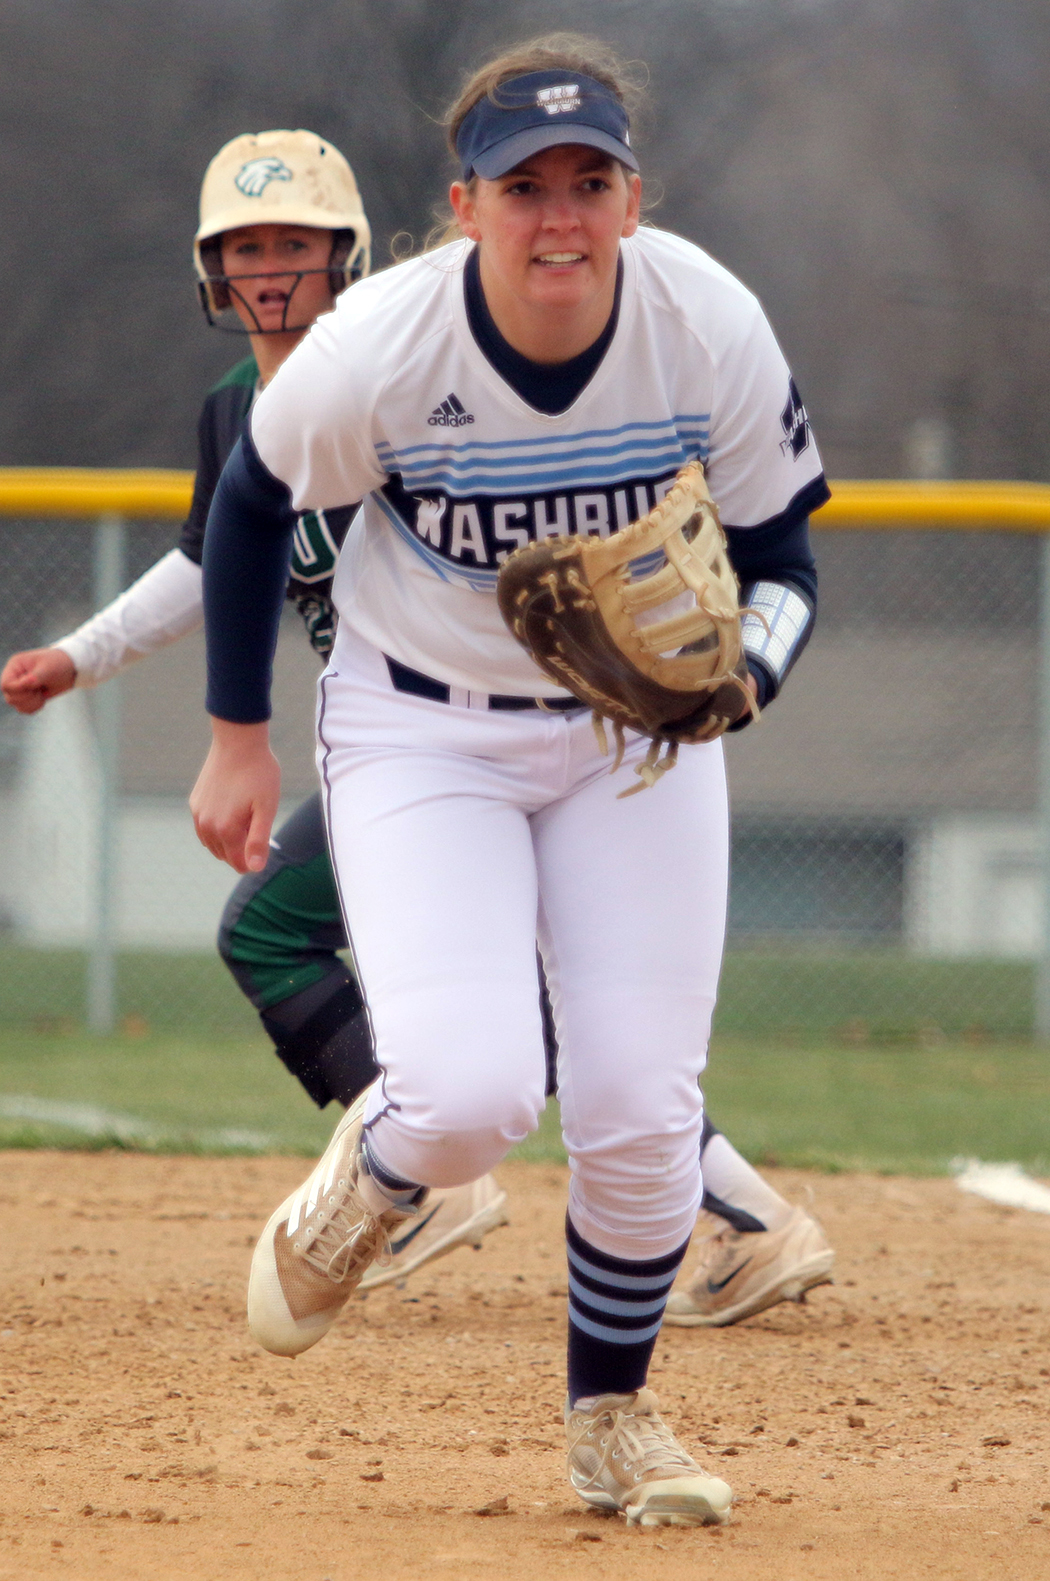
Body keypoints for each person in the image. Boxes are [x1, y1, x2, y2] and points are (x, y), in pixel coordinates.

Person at [2, 123, 832, 1324]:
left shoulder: (391, 361)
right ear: (207, 270)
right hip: (408, 744)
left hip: (525, 730)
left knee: (406, 973)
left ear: (347, 257)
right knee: (523, 1013)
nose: (268, 269)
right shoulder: (242, 411)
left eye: (294, 242)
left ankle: (441, 1188)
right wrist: (83, 658)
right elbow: (210, 559)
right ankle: (735, 1213)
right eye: (242, 247)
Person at [190, 35, 833, 1526]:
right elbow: (246, 506)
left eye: (588, 183)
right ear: (465, 207)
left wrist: (745, 674)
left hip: (636, 743)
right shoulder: (391, 345)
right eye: (521, 186)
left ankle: (610, 1417)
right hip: (424, 728)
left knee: (636, 1109)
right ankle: (382, 1164)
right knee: (475, 1090)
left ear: (629, 197)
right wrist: (236, 734)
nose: (559, 216)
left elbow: (786, 558)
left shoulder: (704, 322)